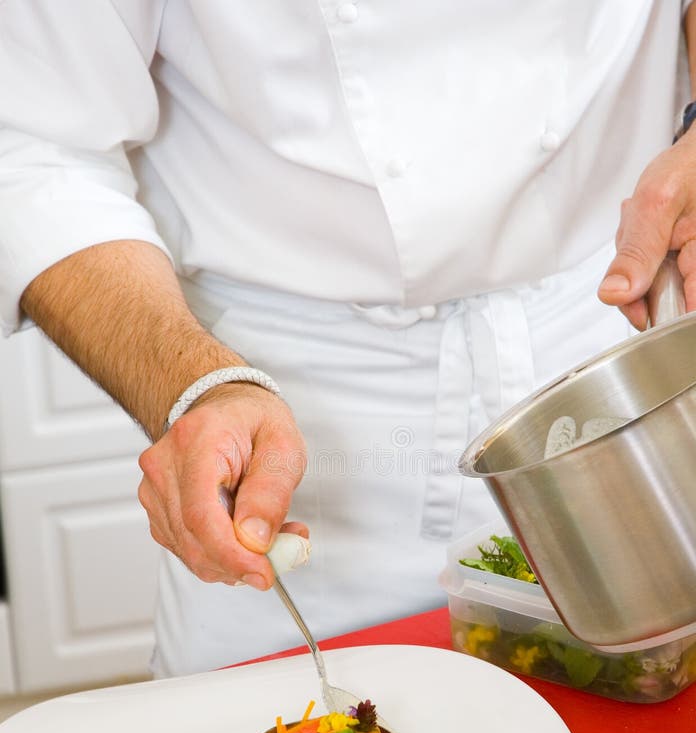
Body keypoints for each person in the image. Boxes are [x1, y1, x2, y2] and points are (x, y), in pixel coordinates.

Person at [1, 1, 695, 677]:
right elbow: (34, 149)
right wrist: (197, 386)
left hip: (612, 350)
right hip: (295, 412)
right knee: (295, 731)